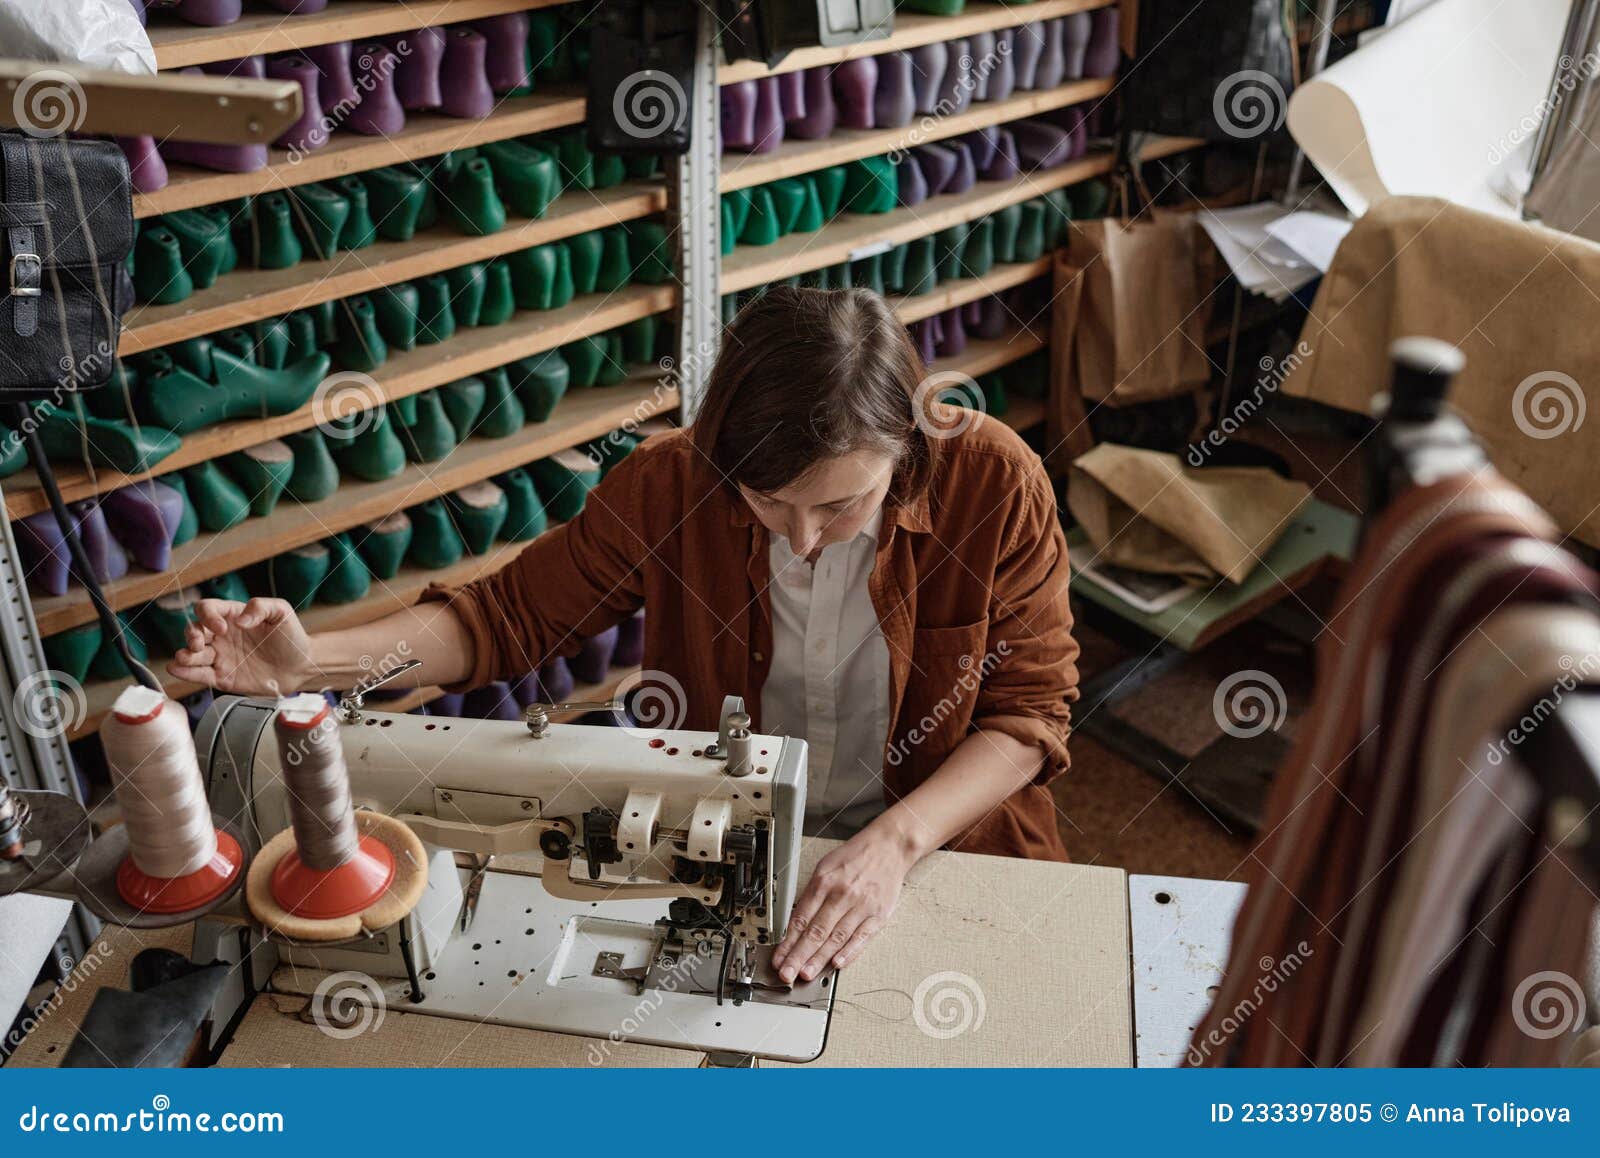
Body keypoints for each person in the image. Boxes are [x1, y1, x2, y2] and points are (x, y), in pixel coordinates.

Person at [171, 287, 1079, 985]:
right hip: (728, 851)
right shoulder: (673, 482)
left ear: (905, 450)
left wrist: (893, 843)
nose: (799, 542)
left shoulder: (993, 481)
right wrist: (310, 660)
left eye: (838, 506)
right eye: (768, 505)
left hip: (942, 848)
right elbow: (506, 619)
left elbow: (1030, 715)